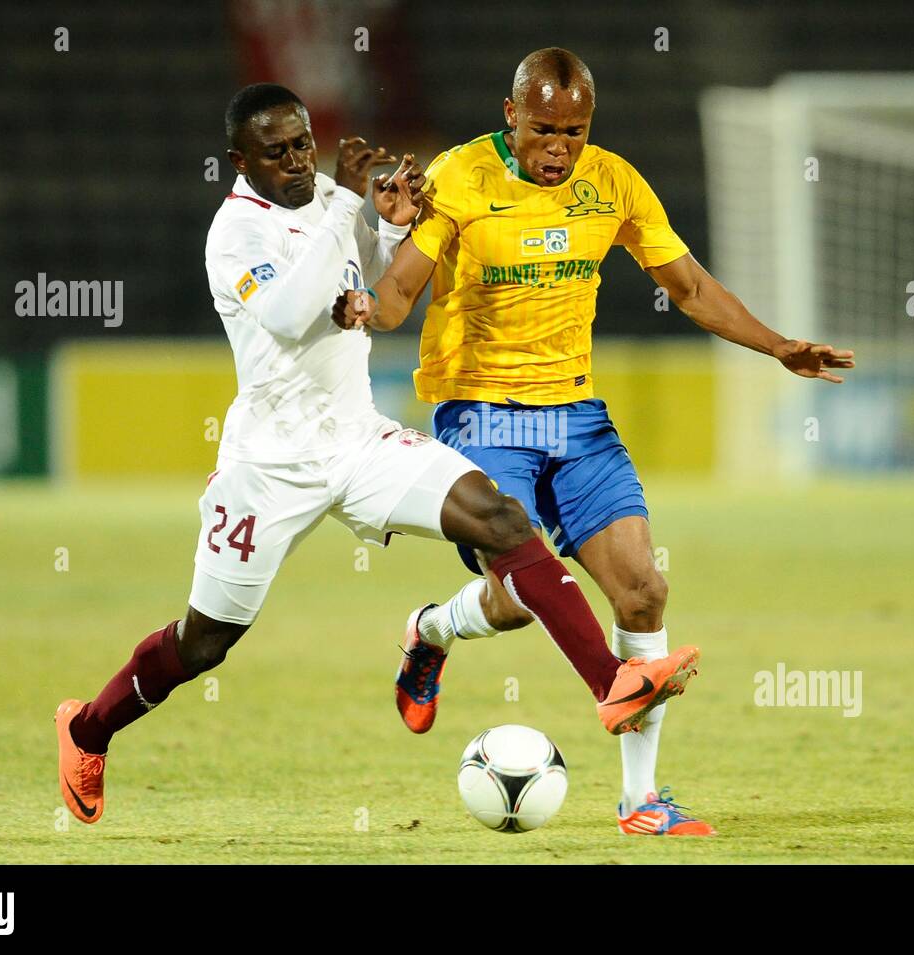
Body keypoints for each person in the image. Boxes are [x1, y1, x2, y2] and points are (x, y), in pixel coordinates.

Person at [55, 83, 697, 825]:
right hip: (270, 467)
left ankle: (611, 683)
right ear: (241, 161)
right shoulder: (235, 233)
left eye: (303, 143)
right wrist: (346, 209)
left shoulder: (332, 199)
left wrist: (389, 228)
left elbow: (365, 290)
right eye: (276, 151)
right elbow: (290, 316)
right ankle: (87, 730)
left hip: (359, 440)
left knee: (501, 520)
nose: (297, 160)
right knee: (206, 642)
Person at [334, 49, 854, 836]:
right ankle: (433, 631)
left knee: (643, 590)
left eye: (573, 132)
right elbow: (401, 293)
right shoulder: (460, 176)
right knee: (520, 598)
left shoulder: (613, 182)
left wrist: (779, 345)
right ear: (510, 115)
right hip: (481, 412)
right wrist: (362, 301)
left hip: (574, 414)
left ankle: (641, 801)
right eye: (543, 130)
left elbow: (690, 288)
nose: (558, 148)